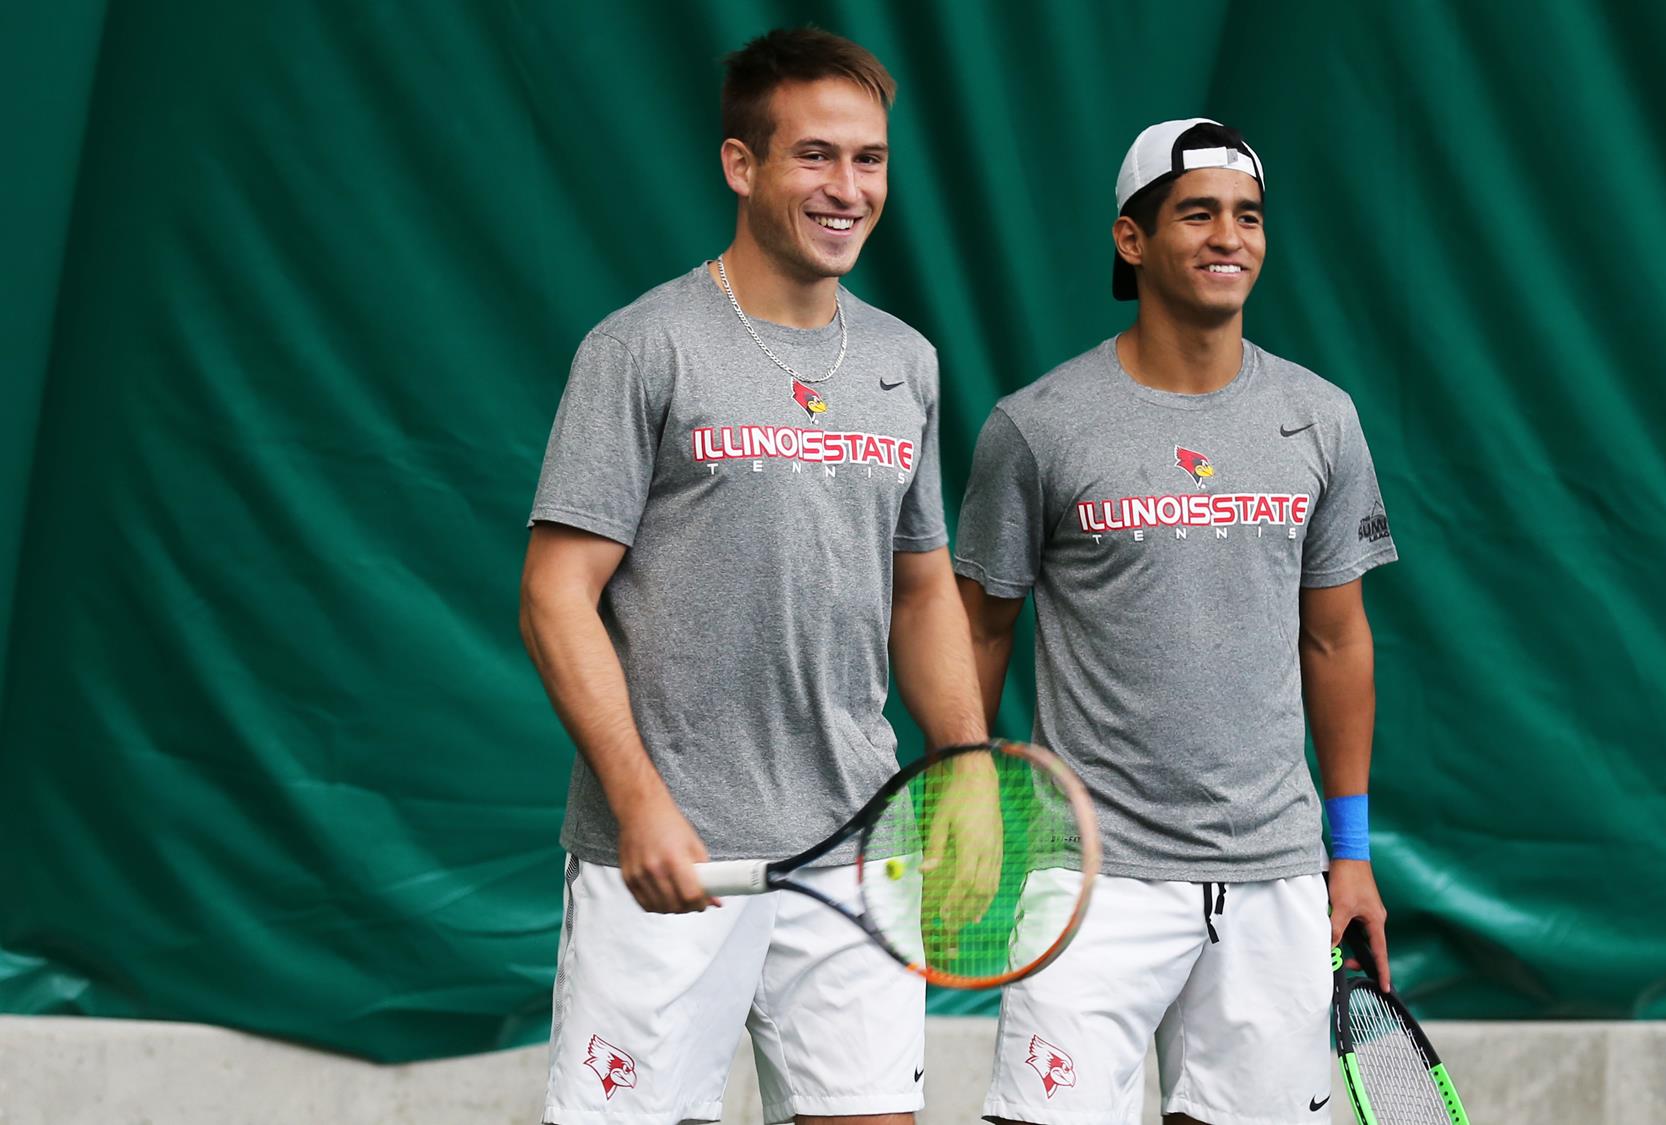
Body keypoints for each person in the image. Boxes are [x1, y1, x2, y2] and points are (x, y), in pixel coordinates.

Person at [519, 27, 984, 1125]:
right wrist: (639, 805)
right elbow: (553, 595)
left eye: (868, 159)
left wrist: (965, 770)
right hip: (671, 856)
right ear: (742, 165)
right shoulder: (643, 348)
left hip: (856, 848)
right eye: (815, 156)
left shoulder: (902, 362)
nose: (848, 188)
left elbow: (919, 590)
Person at [955, 118, 1399, 1124]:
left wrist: (1350, 851)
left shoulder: (1318, 418)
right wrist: (970, 804)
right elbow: (977, 629)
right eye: (1196, 213)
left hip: (1275, 879)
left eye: (1246, 218)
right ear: (1131, 240)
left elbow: (1336, 640)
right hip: (1086, 877)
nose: (1226, 238)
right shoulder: (1037, 425)